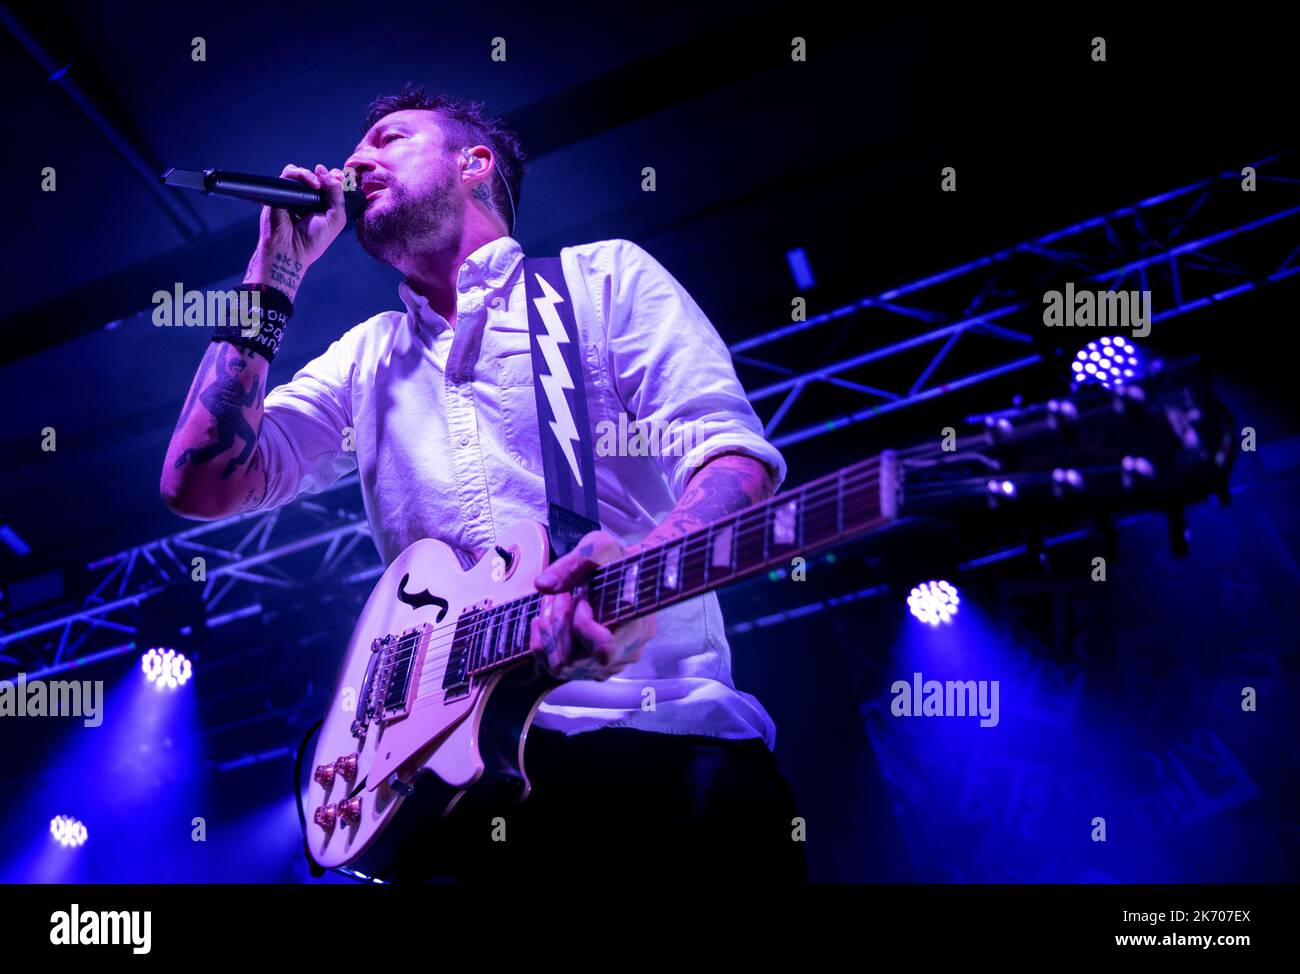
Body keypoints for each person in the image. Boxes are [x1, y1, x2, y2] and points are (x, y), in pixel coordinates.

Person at [160, 83, 806, 883]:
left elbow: (731, 460)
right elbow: (200, 481)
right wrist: (273, 280)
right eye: (359, 147)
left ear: (475, 164)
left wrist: (637, 573)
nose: (358, 160)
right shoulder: (364, 360)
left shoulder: (601, 282)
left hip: (665, 762)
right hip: (453, 808)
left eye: (390, 138)